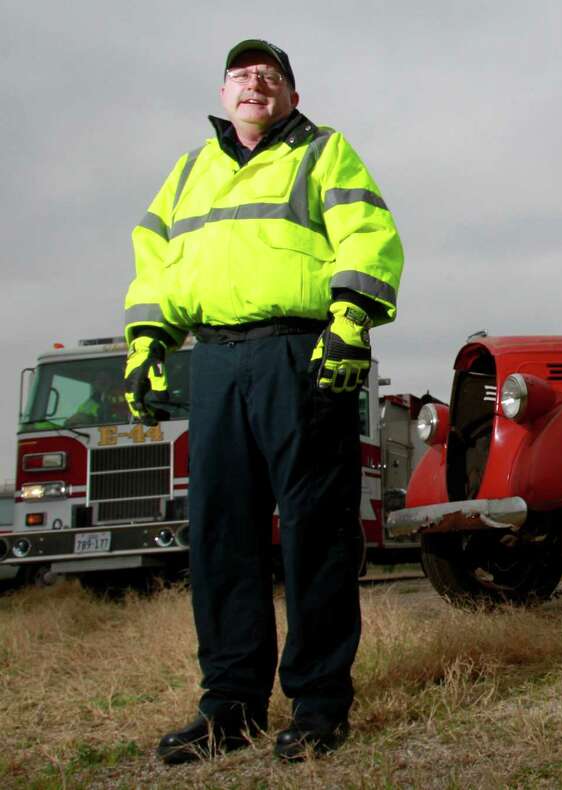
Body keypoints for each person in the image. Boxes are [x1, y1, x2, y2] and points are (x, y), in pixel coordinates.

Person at [123, 39, 403, 763]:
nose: (257, 83)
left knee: (315, 532)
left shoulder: (322, 153)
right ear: (224, 95)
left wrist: (348, 325)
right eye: (243, 75)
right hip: (213, 360)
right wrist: (146, 344)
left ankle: (317, 707)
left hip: (299, 353)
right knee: (221, 538)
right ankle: (231, 709)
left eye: (271, 76)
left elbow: (367, 235)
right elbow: (155, 263)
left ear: (292, 98)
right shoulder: (188, 173)